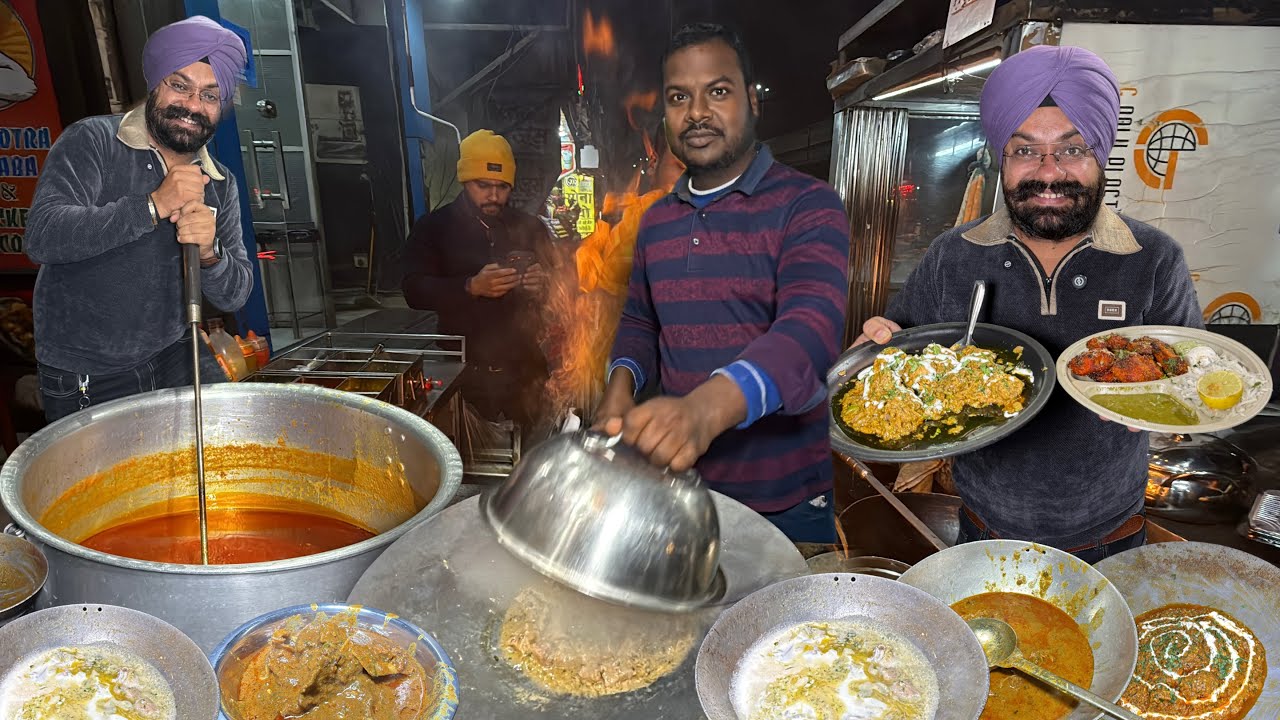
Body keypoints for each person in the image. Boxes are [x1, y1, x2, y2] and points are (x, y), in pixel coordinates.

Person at [856, 45, 1203, 562]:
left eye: (1071, 149)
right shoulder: (953, 254)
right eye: (1024, 151)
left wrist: (1169, 407)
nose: (1048, 171)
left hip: (1111, 532)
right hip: (983, 525)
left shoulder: (1152, 258)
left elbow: (1189, 375)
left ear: (1100, 154)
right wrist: (873, 348)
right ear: (1002, 158)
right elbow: (897, 347)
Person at [594, 24, 851, 544]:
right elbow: (641, 321)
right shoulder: (657, 221)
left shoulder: (808, 204)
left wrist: (701, 410)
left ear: (751, 101)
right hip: (682, 490)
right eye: (678, 97)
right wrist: (617, 394)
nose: (696, 113)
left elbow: (810, 330)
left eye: (717, 91)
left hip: (789, 504)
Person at [26, 16, 254, 422]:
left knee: (225, 445)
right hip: (86, 368)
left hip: (174, 349)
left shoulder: (219, 182)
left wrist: (209, 254)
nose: (192, 106)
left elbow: (235, 293)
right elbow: (44, 235)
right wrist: (152, 205)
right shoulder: (92, 141)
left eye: (209, 95)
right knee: (102, 484)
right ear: (154, 85)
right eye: (179, 86)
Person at [402, 129, 552, 430]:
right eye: (482, 185)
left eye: (502, 186)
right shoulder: (434, 228)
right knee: (467, 457)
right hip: (463, 370)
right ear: (464, 180)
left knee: (528, 453)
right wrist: (469, 286)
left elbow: (561, 283)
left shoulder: (530, 227)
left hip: (524, 368)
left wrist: (544, 283)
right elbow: (413, 289)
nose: (494, 196)